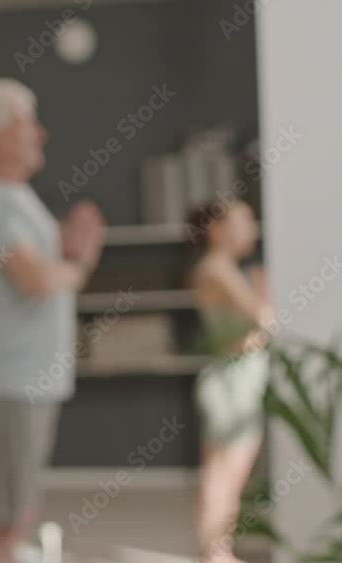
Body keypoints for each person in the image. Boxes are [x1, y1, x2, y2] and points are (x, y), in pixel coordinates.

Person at [0, 78, 106, 563]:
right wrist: (80, 264)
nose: (40, 134)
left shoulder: (11, 196)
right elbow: (34, 277)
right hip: (7, 384)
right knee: (3, 524)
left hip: (26, 382)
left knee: (16, 518)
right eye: (26, 124)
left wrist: (70, 247)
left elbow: (37, 263)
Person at [187, 199, 269, 563]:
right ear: (217, 229)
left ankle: (219, 550)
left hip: (235, 381)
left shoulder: (224, 268)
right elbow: (263, 319)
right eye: (242, 221)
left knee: (225, 474)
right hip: (230, 384)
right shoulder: (217, 269)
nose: (250, 229)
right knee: (224, 475)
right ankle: (216, 553)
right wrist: (262, 288)